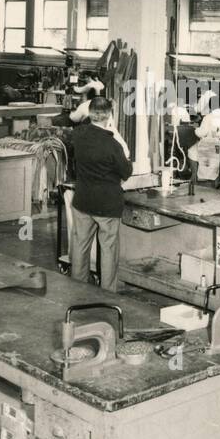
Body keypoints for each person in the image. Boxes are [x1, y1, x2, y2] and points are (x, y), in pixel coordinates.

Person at [70, 97, 133, 292]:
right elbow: (126, 172)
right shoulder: (112, 144)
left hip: (82, 200)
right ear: (108, 115)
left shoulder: (78, 135)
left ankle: (77, 287)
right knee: (108, 250)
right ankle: (108, 293)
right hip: (107, 204)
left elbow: (75, 165)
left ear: (89, 113)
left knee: (80, 246)